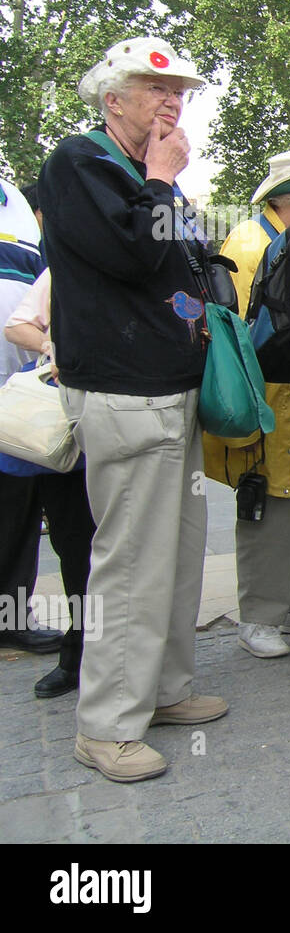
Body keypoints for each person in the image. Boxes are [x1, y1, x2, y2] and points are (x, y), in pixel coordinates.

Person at [40, 36, 226, 783]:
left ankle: (165, 688)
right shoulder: (79, 163)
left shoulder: (140, 176)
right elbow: (135, 256)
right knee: (128, 562)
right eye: (155, 90)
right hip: (124, 390)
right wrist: (160, 179)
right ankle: (108, 724)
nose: (172, 101)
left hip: (168, 388)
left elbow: (184, 262)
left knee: (175, 552)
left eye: (179, 89)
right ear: (112, 100)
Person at [202, 146, 290, 658]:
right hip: (263, 393)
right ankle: (259, 615)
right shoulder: (247, 243)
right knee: (264, 501)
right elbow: (231, 330)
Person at [4, 262, 95, 699]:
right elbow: (17, 326)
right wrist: (52, 346)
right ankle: (76, 656)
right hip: (68, 441)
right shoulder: (61, 269)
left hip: (132, 425)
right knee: (76, 550)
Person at [0, 180, 70, 667]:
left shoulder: (21, 215)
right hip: (21, 395)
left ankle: (13, 622)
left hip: (22, 407)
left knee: (19, 514)